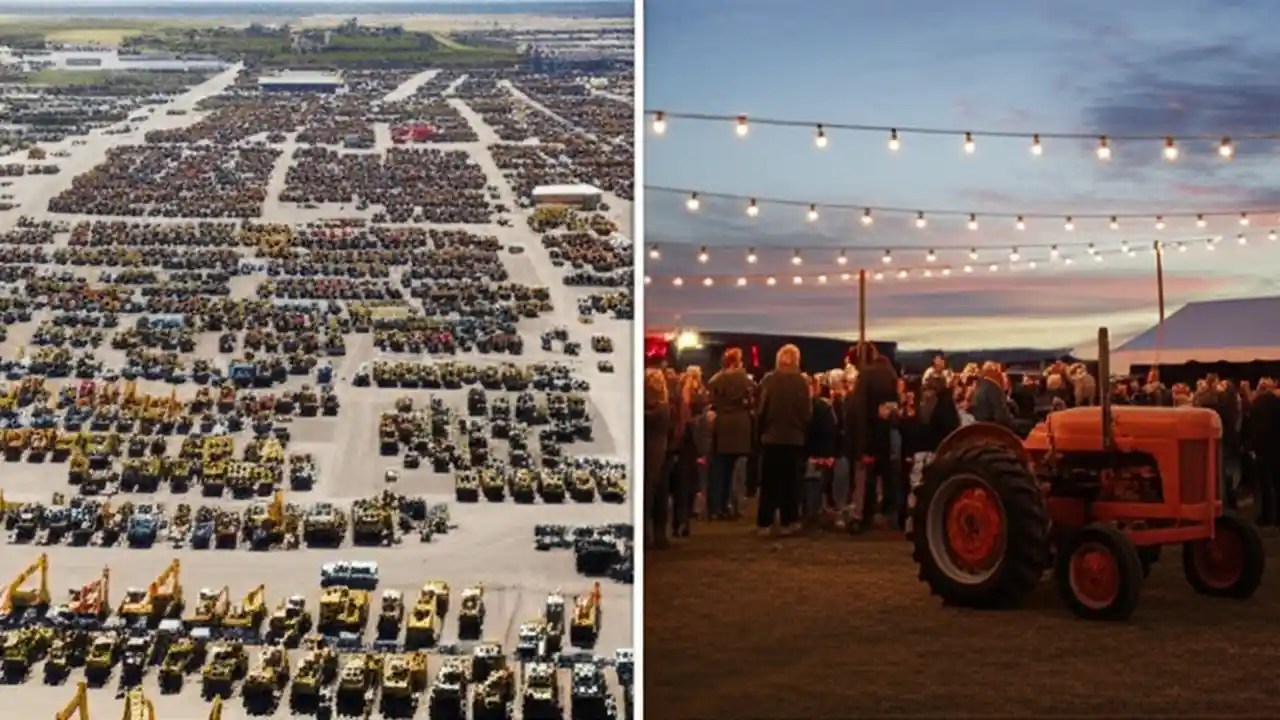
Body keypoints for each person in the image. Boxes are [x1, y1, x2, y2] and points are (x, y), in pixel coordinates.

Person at [755, 344, 811, 536]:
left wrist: (762, 430)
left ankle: (765, 522)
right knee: (791, 483)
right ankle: (790, 520)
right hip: (794, 438)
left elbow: (761, 409)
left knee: (769, 483)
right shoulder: (802, 382)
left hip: (772, 437)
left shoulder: (770, 380)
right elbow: (806, 412)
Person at [845, 344, 899, 531]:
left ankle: (859, 516)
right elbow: (893, 407)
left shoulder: (866, 377)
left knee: (862, 478)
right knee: (883, 478)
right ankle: (886, 513)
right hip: (884, 436)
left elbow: (860, 413)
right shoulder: (889, 374)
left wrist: (861, 446)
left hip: (867, 436)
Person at [706, 348, 754, 520]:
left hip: (722, 427)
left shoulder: (715, 380)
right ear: (736, 361)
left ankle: (716, 507)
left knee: (719, 470)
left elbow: (710, 402)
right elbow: (753, 399)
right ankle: (734, 506)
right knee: (737, 472)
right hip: (741, 427)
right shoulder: (745, 380)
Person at [644, 368, 671, 549]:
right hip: (661, 451)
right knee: (660, 494)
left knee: (647, 494)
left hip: (648, 451)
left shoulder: (647, 409)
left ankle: (645, 535)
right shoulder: (665, 407)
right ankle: (659, 535)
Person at [1251, 378, 1280, 526]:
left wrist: (1252, 446)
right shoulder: (1276, 403)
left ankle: (1266, 516)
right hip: (1276, 447)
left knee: (1264, 486)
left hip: (1262, 449)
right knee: (1276, 483)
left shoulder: (1257, 404)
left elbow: (1253, 427)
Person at [971, 361, 1014, 427]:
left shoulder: (980, 385)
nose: (1001, 375)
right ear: (994, 371)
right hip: (994, 430)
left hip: (980, 428)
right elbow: (1002, 418)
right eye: (1000, 372)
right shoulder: (993, 388)